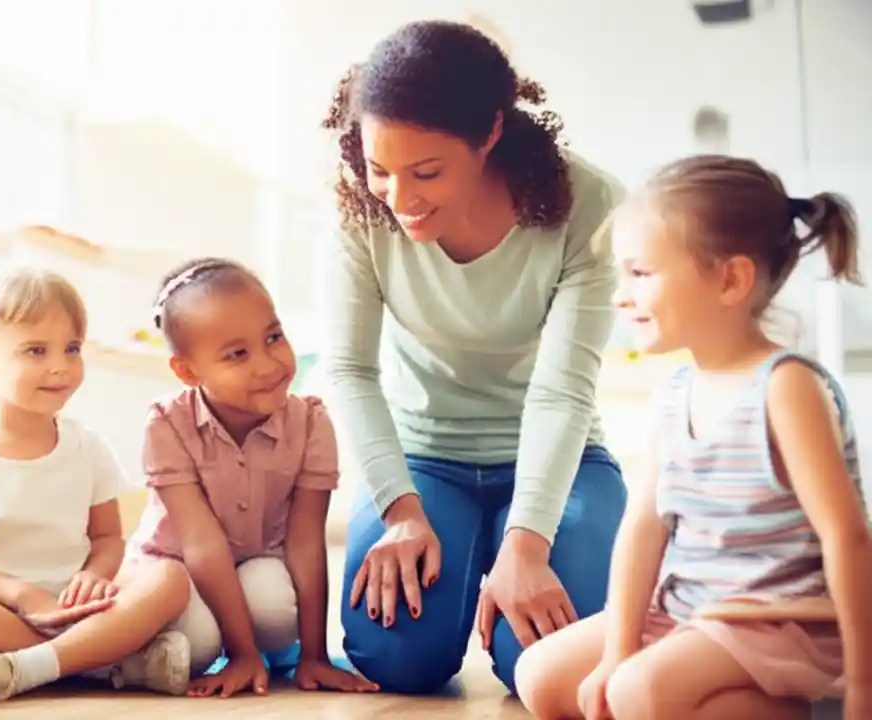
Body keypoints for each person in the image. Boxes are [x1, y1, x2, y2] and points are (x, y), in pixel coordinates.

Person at [321, 20, 628, 694]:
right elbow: (348, 369)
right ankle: (459, 544)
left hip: (559, 462)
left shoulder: (589, 203)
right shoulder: (358, 207)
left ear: (490, 134)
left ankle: (502, 545)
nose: (398, 198)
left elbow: (563, 390)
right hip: (423, 460)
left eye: (426, 171)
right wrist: (401, 509)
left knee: (543, 667)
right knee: (396, 660)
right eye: (380, 169)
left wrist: (526, 541)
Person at [514, 155, 871, 720]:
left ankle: (810, 701)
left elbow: (846, 536)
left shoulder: (786, 387)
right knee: (541, 677)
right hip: (690, 609)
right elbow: (643, 528)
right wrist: (617, 651)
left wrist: (864, 682)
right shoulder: (676, 390)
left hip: (779, 623)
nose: (620, 295)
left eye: (641, 273)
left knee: (637, 695)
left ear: (731, 279)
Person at [0, 259, 193, 700]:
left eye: (71, 348)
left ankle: (23, 667)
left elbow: (109, 537)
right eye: (36, 351)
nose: (61, 366)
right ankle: (103, 665)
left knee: (168, 576)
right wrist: (21, 594)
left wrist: (95, 575)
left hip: (81, 610)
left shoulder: (87, 446)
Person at [125, 258, 378, 698]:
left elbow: (304, 540)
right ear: (188, 372)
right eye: (237, 354)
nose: (269, 364)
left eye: (273, 337)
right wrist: (240, 653)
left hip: (258, 561)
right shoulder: (166, 424)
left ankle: (271, 652)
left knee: (278, 612)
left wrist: (313, 656)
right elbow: (200, 543)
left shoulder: (311, 421)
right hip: (176, 568)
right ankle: (138, 657)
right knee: (198, 643)